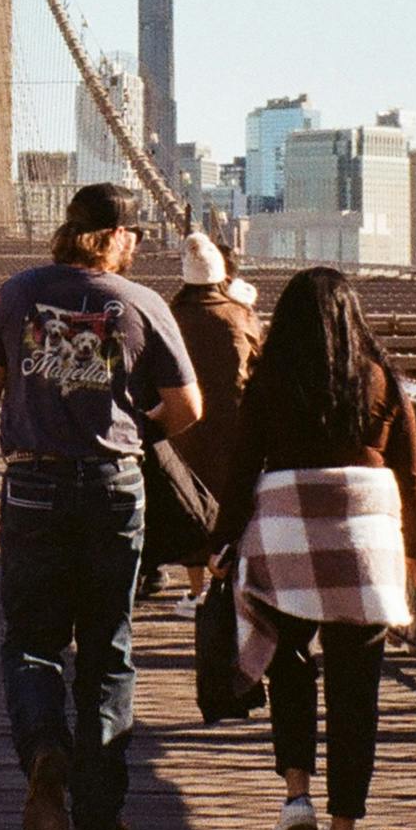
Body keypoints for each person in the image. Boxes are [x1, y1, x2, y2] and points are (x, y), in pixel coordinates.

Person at [0, 182, 200, 830]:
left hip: (32, 483)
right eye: (136, 235)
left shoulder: (18, 292)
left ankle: (43, 748)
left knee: (32, 638)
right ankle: (98, 805)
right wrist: (137, 431)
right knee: (107, 644)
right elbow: (190, 407)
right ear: (116, 236)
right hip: (112, 486)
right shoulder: (141, 303)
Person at [211, 267, 416, 830]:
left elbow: (242, 466)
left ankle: (295, 797)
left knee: (288, 664)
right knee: (355, 688)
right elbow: (410, 472)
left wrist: (222, 539)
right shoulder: (382, 379)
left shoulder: (272, 378)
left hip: (286, 539)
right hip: (364, 544)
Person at [162, 235, 262, 611]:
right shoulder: (239, 314)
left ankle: (194, 589)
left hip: (183, 422)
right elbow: (258, 360)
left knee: (189, 501)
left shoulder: (172, 316)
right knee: (230, 500)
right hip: (234, 424)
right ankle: (232, 581)